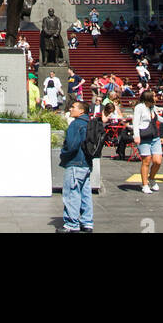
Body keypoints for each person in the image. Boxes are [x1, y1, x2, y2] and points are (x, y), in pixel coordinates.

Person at [59, 100, 93, 234]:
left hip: (75, 162)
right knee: (85, 194)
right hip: (86, 163)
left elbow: (71, 145)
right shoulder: (89, 123)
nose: (70, 109)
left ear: (81, 111)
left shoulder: (76, 124)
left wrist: (63, 153)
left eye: (73, 107)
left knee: (71, 193)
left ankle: (71, 224)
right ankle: (87, 222)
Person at [132, 90, 163, 194]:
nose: (156, 97)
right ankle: (145, 184)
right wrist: (136, 136)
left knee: (157, 161)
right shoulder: (140, 107)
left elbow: (157, 117)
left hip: (154, 136)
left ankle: (151, 178)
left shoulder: (152, 107)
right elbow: (136, 122)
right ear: (148, 98)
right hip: (144, 136)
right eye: (154, 96)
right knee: (146, 160)